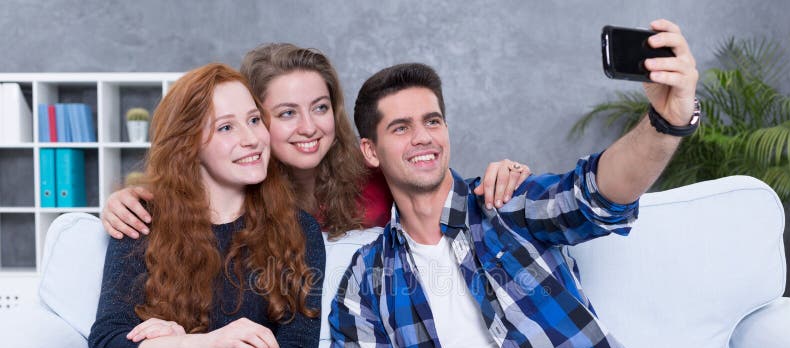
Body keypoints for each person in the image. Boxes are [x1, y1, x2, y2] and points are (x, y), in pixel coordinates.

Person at [324, 19, 706, 348]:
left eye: (433, 121)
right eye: (401, 128)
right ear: (371, 151)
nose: (424, 138)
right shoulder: (368, 274)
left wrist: (666, 120)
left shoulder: (507, 203)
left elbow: (599, 192)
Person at [58, 63, 325, 348]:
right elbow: (109, 347)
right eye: (226, 127)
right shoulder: (144, 217)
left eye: (254, 119)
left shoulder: (298, 232)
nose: (251, 138)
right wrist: (195, 344)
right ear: (190, 145)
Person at [101, 43, 531, 240]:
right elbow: (181, 198)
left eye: (320, 107)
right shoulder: (233, 191)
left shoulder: (376, 176)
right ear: (255, 119)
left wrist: (504, 175)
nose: (309, 127)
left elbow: (443, 191)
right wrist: (129, 200)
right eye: (286, 113)